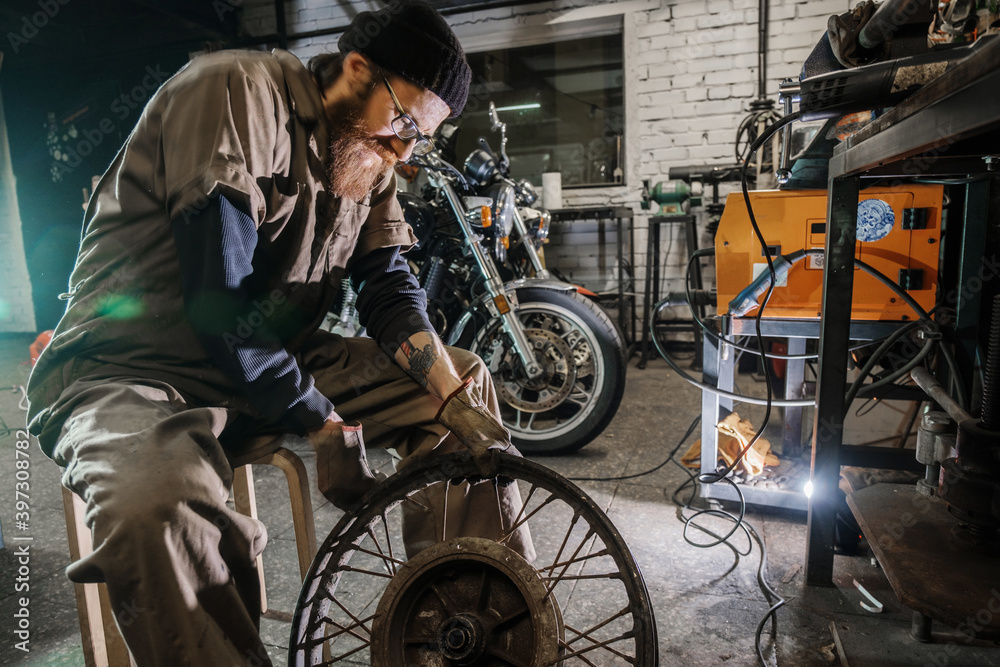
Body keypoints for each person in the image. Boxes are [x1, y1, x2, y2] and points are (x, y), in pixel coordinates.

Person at [25, 1, 533, 664]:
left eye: (421, 138)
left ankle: (466, 638)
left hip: (264, 363)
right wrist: (318, 417)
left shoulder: (367, 154)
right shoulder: (234, 91)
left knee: (460, 386)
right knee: (157, 504)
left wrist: (450, 392)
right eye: (403, 122)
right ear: (356, 69)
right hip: (127, 371)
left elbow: (387, 287)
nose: (404, 151)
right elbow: (218, 304)